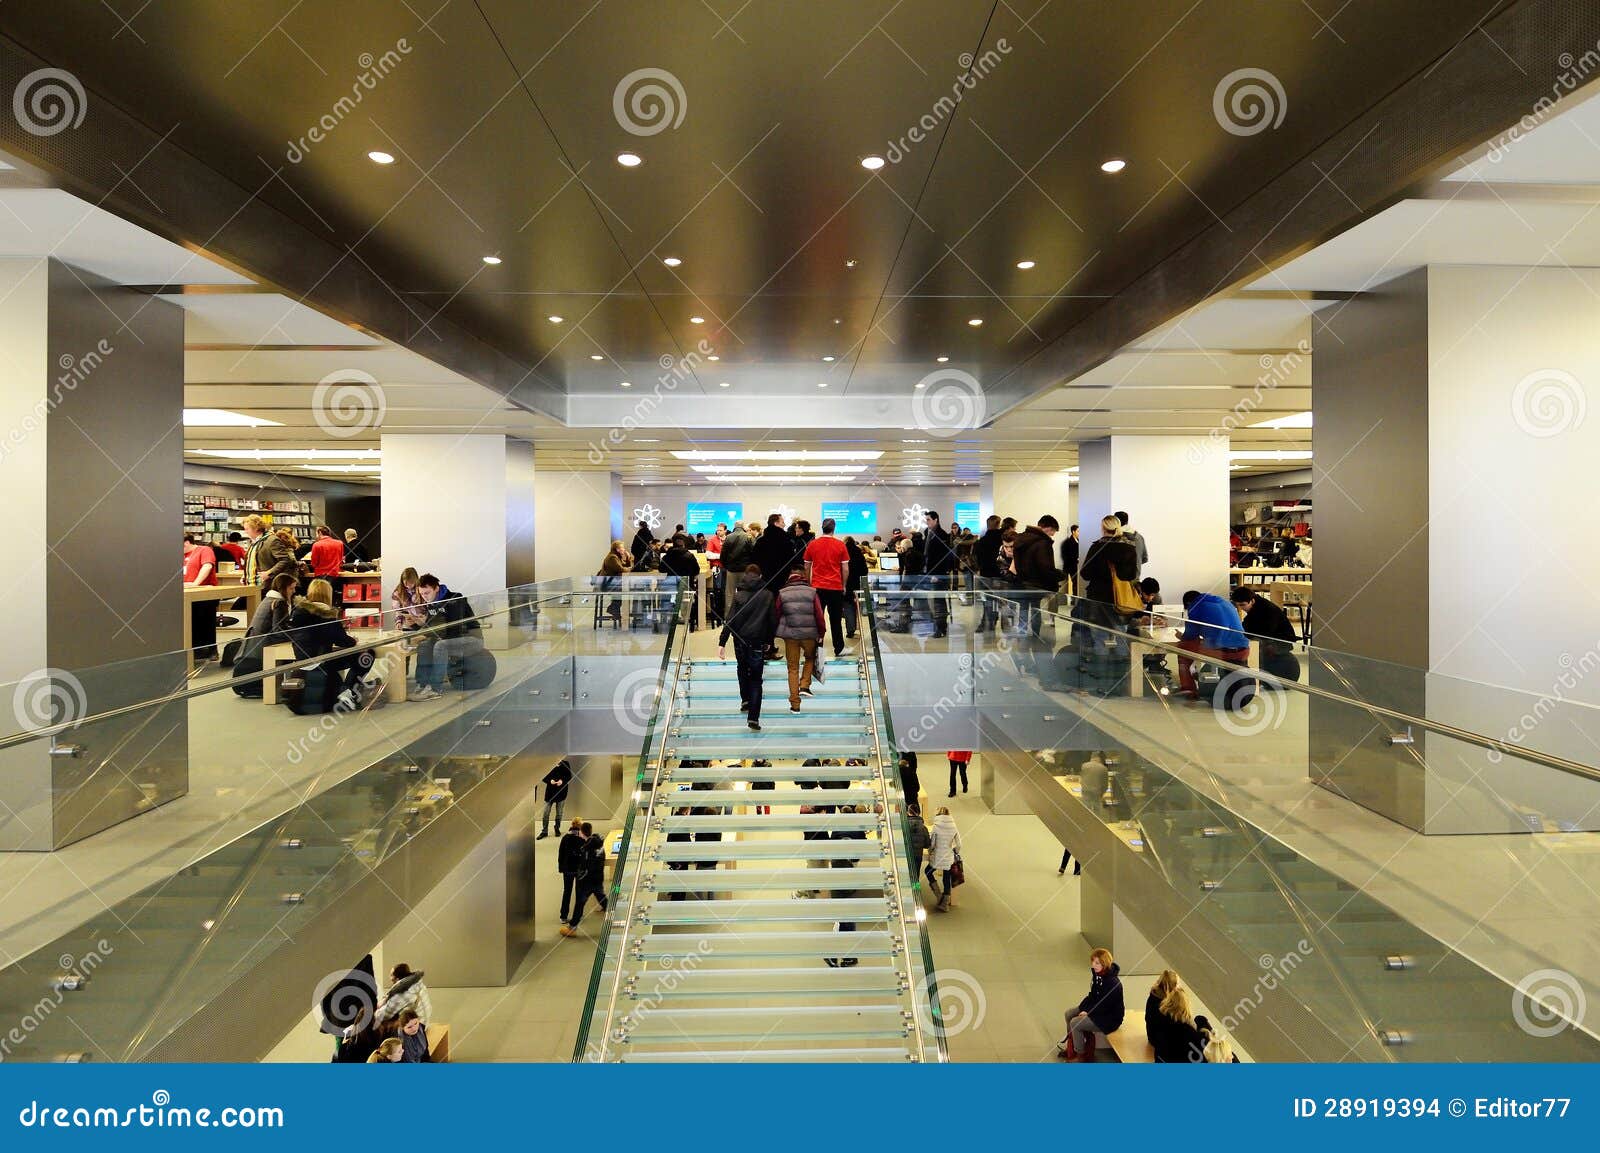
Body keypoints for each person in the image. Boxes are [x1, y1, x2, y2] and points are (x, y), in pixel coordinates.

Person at [285, 577, 375, 702]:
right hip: (322, 662)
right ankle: (348, 689)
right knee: (367, 655)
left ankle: (343, 689)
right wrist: (353, 640)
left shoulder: (298, 612)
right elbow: (343, 641)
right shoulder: (326, 614)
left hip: (302, 661)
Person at [718, 565, 776, 731]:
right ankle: (753, 718)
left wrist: (722, 642)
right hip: (757, 641)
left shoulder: (739, 595)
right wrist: (770, 642)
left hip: (739, 640)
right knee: (756, 679)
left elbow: (730, 620)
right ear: (760, 576)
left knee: (742, 668)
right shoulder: (767, 595)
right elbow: (772, 621)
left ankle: (745, 699)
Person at [411, 574, 482, 701]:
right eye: (422, 594)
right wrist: (417, 632)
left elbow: (455, 628)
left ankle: (435, 689)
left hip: (471, 639)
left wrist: (429, 635)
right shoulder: (432, 603)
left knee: (440, 645)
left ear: (436, 588)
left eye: (427, 593)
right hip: (448, 638)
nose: (424, 597)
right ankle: (422, 684)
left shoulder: (455, 598)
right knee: (424, 645)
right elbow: (430, 626)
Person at [232, 572, 299, 696]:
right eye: (291, 588)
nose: (293, 591)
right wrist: (298, 634)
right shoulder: (279, 603)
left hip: (253, 645)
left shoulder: (268, 600)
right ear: (283, 588)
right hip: (263, 646)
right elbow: (278, 630)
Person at [1076, 515, 1139, 646]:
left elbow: (1085, 574)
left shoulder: (1097, 548)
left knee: (1100, 636)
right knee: (1122, 637)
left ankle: (1101, 663)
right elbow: (1132, 575)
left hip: (1098, 597)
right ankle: (1122, 664)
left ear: (1103, 528)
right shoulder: (1129, 548)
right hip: (1122, 599)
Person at [1176, 588, 1249, 698]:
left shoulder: (1195, 607)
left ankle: (1189, 688)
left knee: (1183, 649)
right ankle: (1198, 675)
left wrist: (1181, 636)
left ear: (1188, 603)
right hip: (1244, 650)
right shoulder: (1225, 602)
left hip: (1221, 652)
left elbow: (1190, 636)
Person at [1059, 947, 1124, 1061]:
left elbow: (1104, 1006)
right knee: (1069, 1014)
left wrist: (1088, 1013)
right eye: (1093, 961)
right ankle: (1072, 1048)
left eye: (1097, 963)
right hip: (1098, 1010)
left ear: (1104, 964)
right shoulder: (1098, 975)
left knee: (1075, 1023)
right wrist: (1082, 1008)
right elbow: (1093, 995)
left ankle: (1080, 1056)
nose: (1093, 965)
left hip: (1109, 1018)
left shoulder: (1112, 983)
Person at [774, 568, 824, 712]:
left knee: (792, 668)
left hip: (790, 636)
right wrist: (821, 632)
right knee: (810, 658)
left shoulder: (782, 593)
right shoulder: (812, 592)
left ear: (790, 578)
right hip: (809, 634)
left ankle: (795, 705)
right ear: (803, 577)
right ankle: (805, 685)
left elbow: (777, 613)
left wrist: (774, 633)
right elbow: (819, 615)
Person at [804, 517, 851, 658]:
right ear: (834, 528)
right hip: (835, 587)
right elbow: (845, 569)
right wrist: (843, 585)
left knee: (817, 620)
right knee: (836, 619)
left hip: (817, 587)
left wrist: (808, 583)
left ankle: (817, 650)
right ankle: (839, 648)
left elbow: (807, 566)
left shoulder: (813, 544)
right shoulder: (840, 545)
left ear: (822, 528)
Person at [1229, 585, 1300, 678]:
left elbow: (1266, 632)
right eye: (1238, 605)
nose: (1241, 608)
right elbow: (1247, 626)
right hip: (1269, 637)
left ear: (1252, 601)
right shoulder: (1256, 607)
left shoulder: (1268, 609)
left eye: (1242, 605)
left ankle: (1256, 678)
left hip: (1280, 641)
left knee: (1254, 649)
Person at [1011, 515, 1061, 639]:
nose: (1053, 535)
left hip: (1021, 582)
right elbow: (1045, 568)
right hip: (1037, 585)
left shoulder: (1020, 539)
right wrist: (1060, 575)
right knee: (1035, 610)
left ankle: (1022, 636)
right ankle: (1035, 637)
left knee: (1022, 609)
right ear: (1047, 528)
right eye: (1053, 531)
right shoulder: (1043, 543)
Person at [560, 822, 609, 936]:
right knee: (602, 897)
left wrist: (580, 877)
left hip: (587, 881)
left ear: (581, 832)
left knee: (579, 903)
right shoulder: (599, 845)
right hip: (598, 878)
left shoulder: (587, 850)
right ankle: (615, 917)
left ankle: (572, 927)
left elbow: (586, 867)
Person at [1145, 974, 1206, 1063]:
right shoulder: (1187, 1029)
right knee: (1201, 1021)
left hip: (1159, 1052)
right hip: (1165, 1049)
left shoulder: (1155, 1001)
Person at [183, 533, 220, 658]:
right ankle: (195, 650)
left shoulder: (204, 550)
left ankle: (210, 650)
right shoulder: (182, 555)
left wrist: (195, 584)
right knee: (190, 622)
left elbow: (207, 566)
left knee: (206, 621)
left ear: (186, 542)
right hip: (187, 594)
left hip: (204, 593)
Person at [921, 511, 958, 637]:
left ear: (936, 520)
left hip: (938, 573)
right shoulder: (927, 533)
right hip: (928, 571)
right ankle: (936, 625)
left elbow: (944, 557)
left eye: (929, 519)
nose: (927, 522)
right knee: (932, 601)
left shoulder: (942, 535)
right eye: (926, 520)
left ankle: (941, 627)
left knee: (939, 601)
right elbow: (927, 553)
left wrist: (938, 574)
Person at [242, 513, 296, 589]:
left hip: (265, 585)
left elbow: (285, 560)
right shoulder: (253, 542)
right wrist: (245, 576)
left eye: (247, 529)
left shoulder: (272, 540)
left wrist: (269, 573)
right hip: (252, 585)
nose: (245, 531)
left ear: (256, 528)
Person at [928, 806, 961, 912]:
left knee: (927, 872)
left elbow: (932, 843)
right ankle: (945, 903)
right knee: (946, 877)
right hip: (948, 857)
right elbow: (959, 844)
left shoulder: (936, 826)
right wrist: (955, 851)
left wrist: (930, 850)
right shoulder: (954, 826)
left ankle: (938, 895)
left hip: (937, 856)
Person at [753, 512, 794, 596]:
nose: (784, 524)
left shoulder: (761, 541)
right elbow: (791, 560)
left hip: (765, 578)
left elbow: (755, 559)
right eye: (782, 522)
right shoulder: (786, 541)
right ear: (776, 523)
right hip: (782, 579)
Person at [718, 522, 754, 617]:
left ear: (734, 527)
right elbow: (753, 553)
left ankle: (729, 617)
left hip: (731, 570)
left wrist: (726, 566)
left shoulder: (729, 537)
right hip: (745, 570)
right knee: (745, 592)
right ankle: (745, 615)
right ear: (743, 527)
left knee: (730, 594)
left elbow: (723, 554)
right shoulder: (748, 537)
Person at [556, 817, 585, 923]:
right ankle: (578, 915)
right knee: (579, 893)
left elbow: (561, 854)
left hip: (567, 869)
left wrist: (561, 867)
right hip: (579, 869)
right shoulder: (582, 839)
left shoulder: (565, 838)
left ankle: (563, 916)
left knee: (567, 892)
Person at [539, 758, 572, 838]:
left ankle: (557, 828)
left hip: (562, 792)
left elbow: (569, 776)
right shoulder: (549, 762)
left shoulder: (565, 763)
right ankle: (544, 831)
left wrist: (562, 781)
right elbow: (543, 776)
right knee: (546, 813)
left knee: (559, 813)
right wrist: (550, 781)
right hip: (550, 793)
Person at [843, 536, 868, 638]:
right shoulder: (858, 552)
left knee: (847, 605)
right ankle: (854, 625)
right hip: (857, 583)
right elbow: (864, 570)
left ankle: (850, 629)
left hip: (845, 582)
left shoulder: (843, 551)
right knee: (855, 604)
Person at [391, 567, 427, 634]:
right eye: (406, 584)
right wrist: (398, 622)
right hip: (407, 626)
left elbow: (429, 607)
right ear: (402, 581)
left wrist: (422, 618)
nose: (408, 586)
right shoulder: (398, 592)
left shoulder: (422, 590)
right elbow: (398, 611)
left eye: (411, 583)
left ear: (416, 580)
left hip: (423, 625)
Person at [1061, 523, 1081, 596]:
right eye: (1078, 531)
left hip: (1078, 566)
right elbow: (1066, 556)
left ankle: (1076, 599)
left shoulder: (1079, 541)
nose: (1080, 533)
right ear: (1073, 532)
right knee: (1074, 583)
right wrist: (1077, 559)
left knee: (1077, 584)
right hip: (1071, 567)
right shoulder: (1068, 542)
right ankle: (1075, 600)